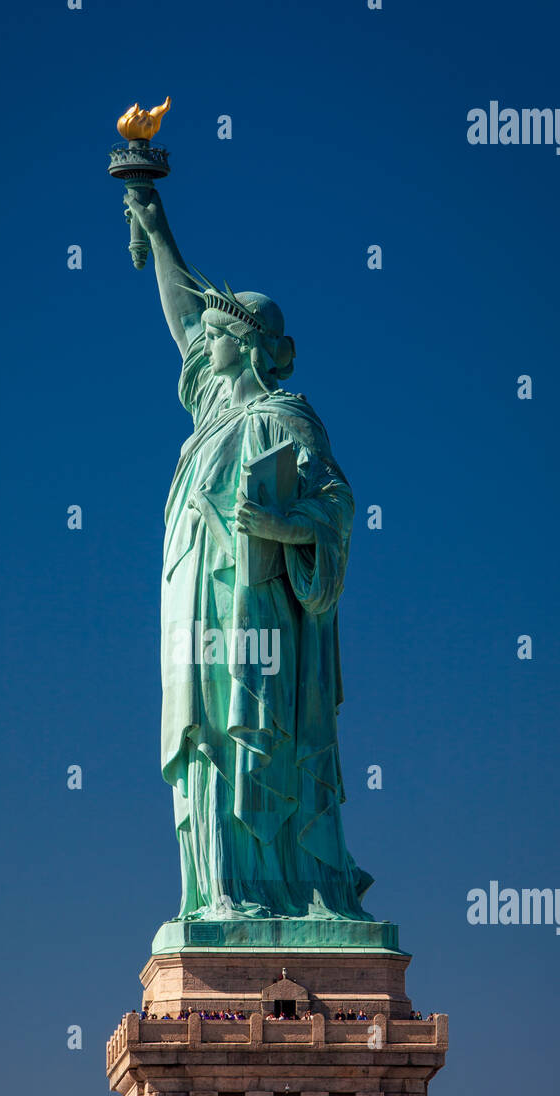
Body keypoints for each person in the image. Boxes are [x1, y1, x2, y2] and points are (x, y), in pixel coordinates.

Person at [123, 183, 375, 923]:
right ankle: (217, 892)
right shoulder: (210, 413)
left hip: (257, 605)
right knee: (203, 735)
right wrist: (153, 218)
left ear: (250, 343)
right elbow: (181, 315)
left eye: (218, 329)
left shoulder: (285, 416)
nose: (204, 336)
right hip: (195, 599)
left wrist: (277, 522)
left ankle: (283, 889)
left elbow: (335, 506)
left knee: (252, 732)